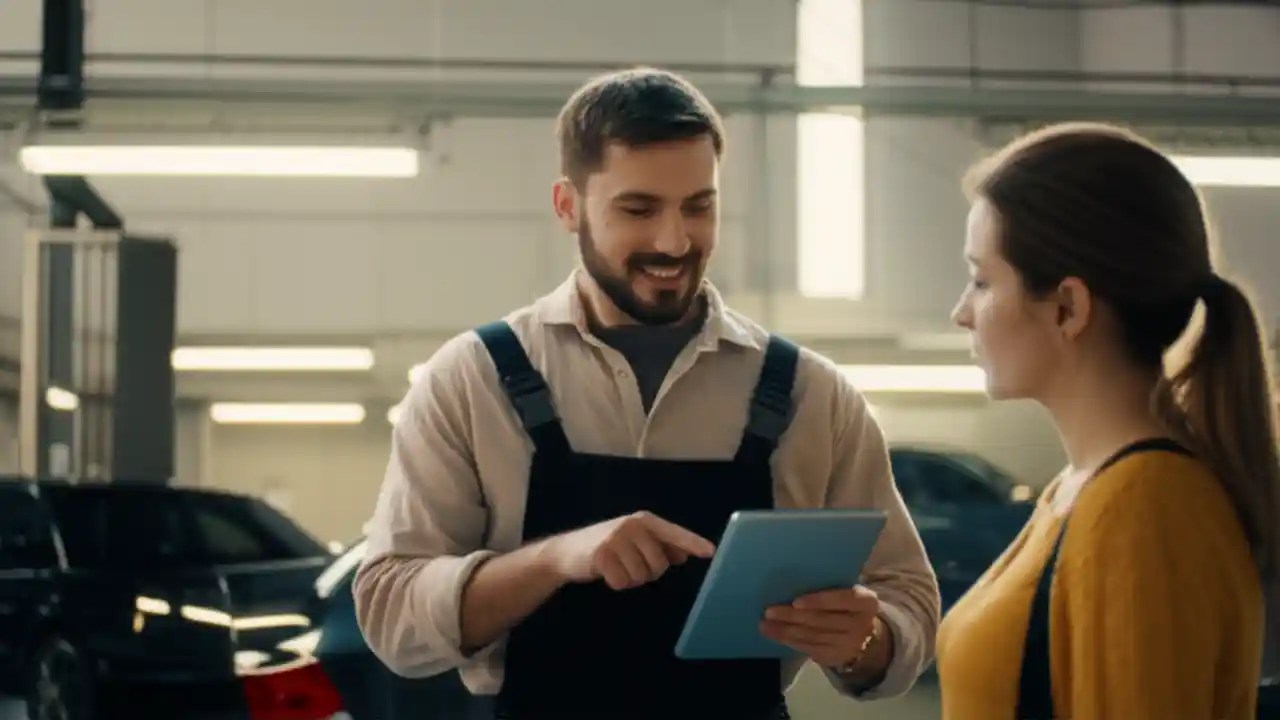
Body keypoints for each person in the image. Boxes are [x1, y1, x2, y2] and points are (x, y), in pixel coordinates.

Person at [352, 67, 939, 719]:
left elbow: (906, 601)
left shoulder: (811, 394)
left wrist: (865, 640)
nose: (674, 241)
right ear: (568, 206)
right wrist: (554, 559)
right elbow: (392, 614)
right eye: (638, 209)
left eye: (699, 206)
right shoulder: (471, 379)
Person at [937, 122, 1280, 719]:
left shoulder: (1145, 506)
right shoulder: (1078, 493)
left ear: (1068, 307)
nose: (961, 312)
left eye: (982, 280)